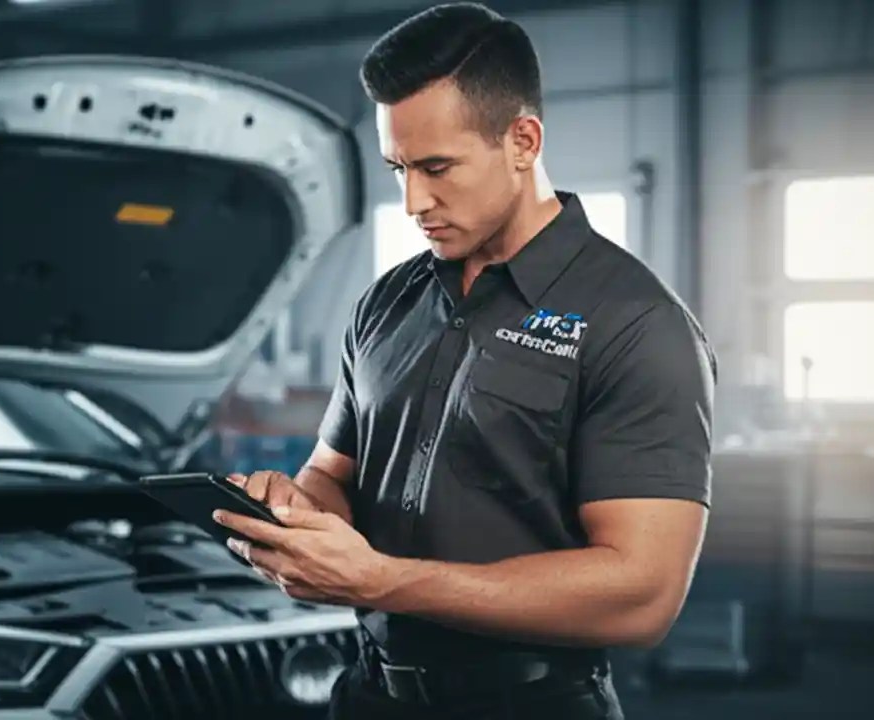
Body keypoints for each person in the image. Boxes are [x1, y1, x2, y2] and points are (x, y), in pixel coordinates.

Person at [212, 3, 717, 718]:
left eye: (437, 167)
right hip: (368, 696)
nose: (415, 199)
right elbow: (333, 473)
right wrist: (298, 514)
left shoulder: (636, 322)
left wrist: (381, 580)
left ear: (522, 139)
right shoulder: (387, 301)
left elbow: (641, 595)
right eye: (398, 169)